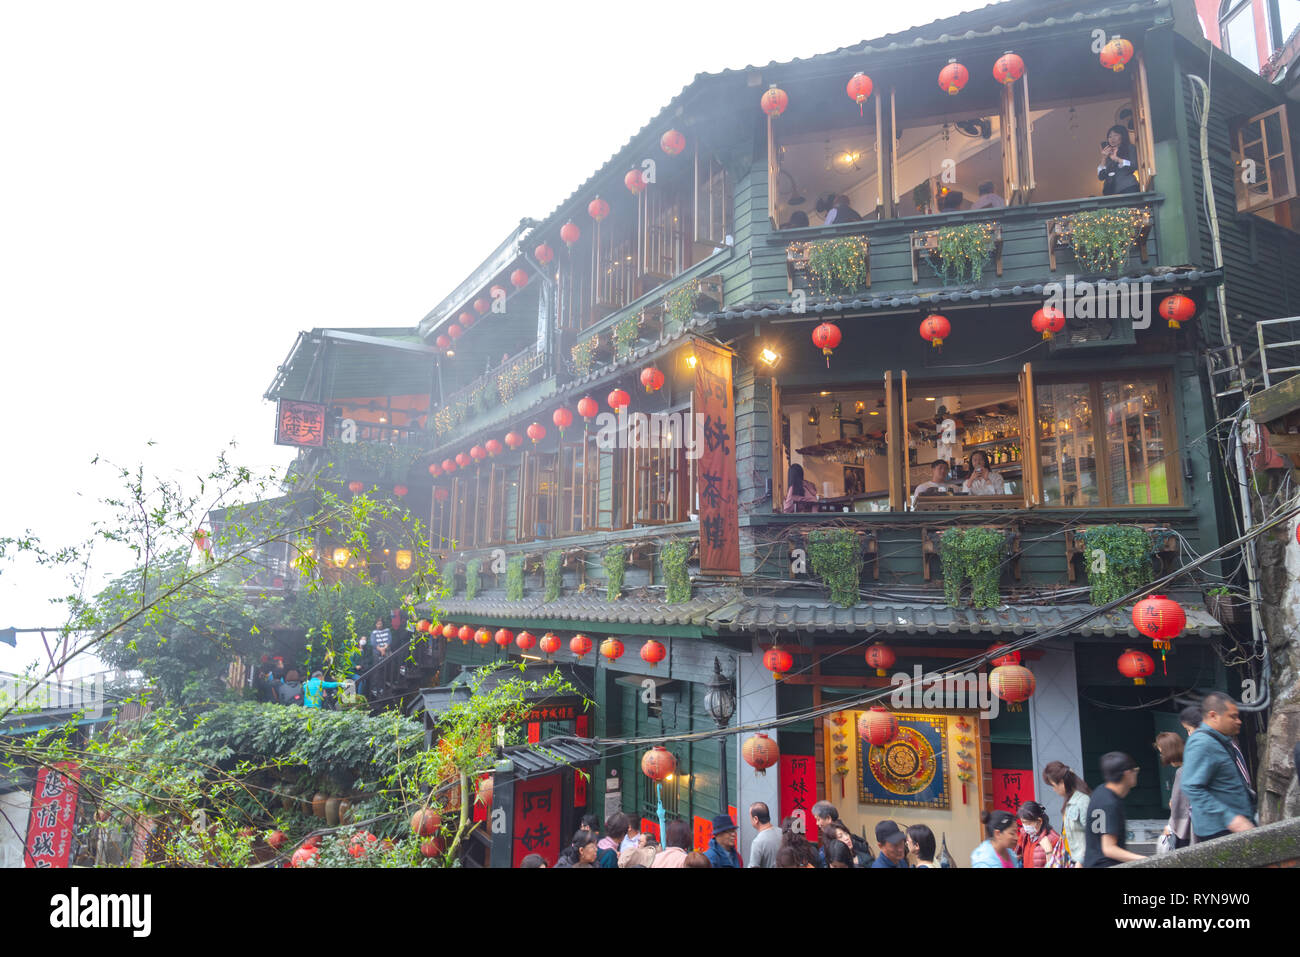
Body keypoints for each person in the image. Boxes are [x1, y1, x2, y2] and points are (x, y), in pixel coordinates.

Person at [1181, 692, 1257, 841]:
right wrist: (1230, 819)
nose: (1239, 721)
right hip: (1221, 830)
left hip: (1236, 825)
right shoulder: (1202, 743)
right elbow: (1191, 786)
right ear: (1213, 715)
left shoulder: (1220, 740)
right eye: (1233, 716)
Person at [1084, 752, 1147, 866]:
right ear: (1127, 773)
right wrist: (1145, 860)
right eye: (1135, 770)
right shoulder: (1110, 804)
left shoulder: (1100, 793)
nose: (1136, 773)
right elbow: (1109, 849)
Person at [1043, 759, 1092, 865]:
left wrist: (1080, 862)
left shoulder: (1083, 801)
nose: (1054, 789)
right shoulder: (1070, 802)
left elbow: (1094, 836)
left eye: (1053, 785)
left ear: (1062, 782)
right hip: (1071, 860)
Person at [1156, 731, 1194, 850]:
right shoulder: (1192, 765)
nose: (1162, 756)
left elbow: (1179, 807)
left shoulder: (1181, 772)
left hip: (1186, 831)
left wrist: (1170, 826)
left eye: (1162, 752)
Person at [1015, 800, 1064, 868]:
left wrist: (1048, 852)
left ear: (1039, 821)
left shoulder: (1054, 839)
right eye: (1023, 823)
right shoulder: (1024, 835)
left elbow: (1058, 864)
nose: (1025, 826)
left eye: (1027, 823)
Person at [1097, 124, 1140, 196]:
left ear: (1122, 136)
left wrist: (1117, 159)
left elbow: (1134, 165)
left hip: (1128, 187)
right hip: (1111, 192)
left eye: (1115, 135)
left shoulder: (1130, 148)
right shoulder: (1108, 153)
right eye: (1110, 136)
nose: (1112, 139)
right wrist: (1104, 158)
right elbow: (1101, 177)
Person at [747, 801, 781, 868]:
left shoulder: (758, 842)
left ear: (756, 819)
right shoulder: (783, 833)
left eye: (750, 816)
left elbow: (753, 866)